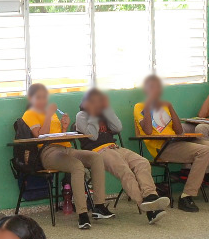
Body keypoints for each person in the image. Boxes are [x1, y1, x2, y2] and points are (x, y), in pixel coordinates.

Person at [134, 75, 209, 212]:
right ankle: (186, 196)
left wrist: (171, 108)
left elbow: (178, 131)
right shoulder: (139, 107)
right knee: (204, 151)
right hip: (162, 147)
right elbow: (147, 131)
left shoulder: (164, 107)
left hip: (177, 141)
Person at [20, 83, 114, 230]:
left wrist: (64, 127)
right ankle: (82, 214)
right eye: (38, 97)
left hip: (66, 149)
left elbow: (62, 137)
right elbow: (40, 136)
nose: (43, 100)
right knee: (76, 166)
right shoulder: (30, 114)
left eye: (44, 97)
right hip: (47, 152)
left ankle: (99, 206)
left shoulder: (52, 115)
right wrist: (48, 116)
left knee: (96, 158)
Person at [73, 88, 171, 222]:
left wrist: (107, 110)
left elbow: (118, 128)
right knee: (125, 171)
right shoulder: (81, 116)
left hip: (115, 148)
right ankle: (148, 207)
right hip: (98, 151)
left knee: (142, 162)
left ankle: (151, 197)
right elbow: (93, 136)